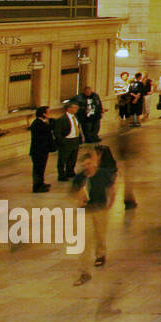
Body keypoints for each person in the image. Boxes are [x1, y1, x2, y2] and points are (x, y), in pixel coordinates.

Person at [72, 144, 117, 286]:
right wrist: (79, 199)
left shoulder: (103, 174)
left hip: (100, 208)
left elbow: (111, 189)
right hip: (86, 211)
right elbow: (74, 191)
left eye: (89, 164)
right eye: (84, 165)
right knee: (85, 240)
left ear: (94, 163)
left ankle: (101, 254)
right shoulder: (80, 178)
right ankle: (84, 272)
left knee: (100, 234)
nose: (87, 167)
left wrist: (110, 203)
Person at [51, 101, 84, 182]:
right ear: (69, 109)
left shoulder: (75, 117)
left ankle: (70, 172)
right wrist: (62, 141)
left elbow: (77, 127)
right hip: (67, 140)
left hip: (75, 140)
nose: (77, 109)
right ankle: (61, 175)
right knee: (63, 159)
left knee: (73, 158)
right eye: (75, 107)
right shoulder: (62, 119)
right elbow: (57, 132)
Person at [28, 106, 55, 193]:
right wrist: (51, 123)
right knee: (38, 169)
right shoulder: (37, 123)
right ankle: (37, 187)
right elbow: (47, 129)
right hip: (38, 151)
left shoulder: (42, 122)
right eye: (48, 112)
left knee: (42, 168)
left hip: (43, 150)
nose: (49, 114)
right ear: (44, 114)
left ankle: (41, 183)